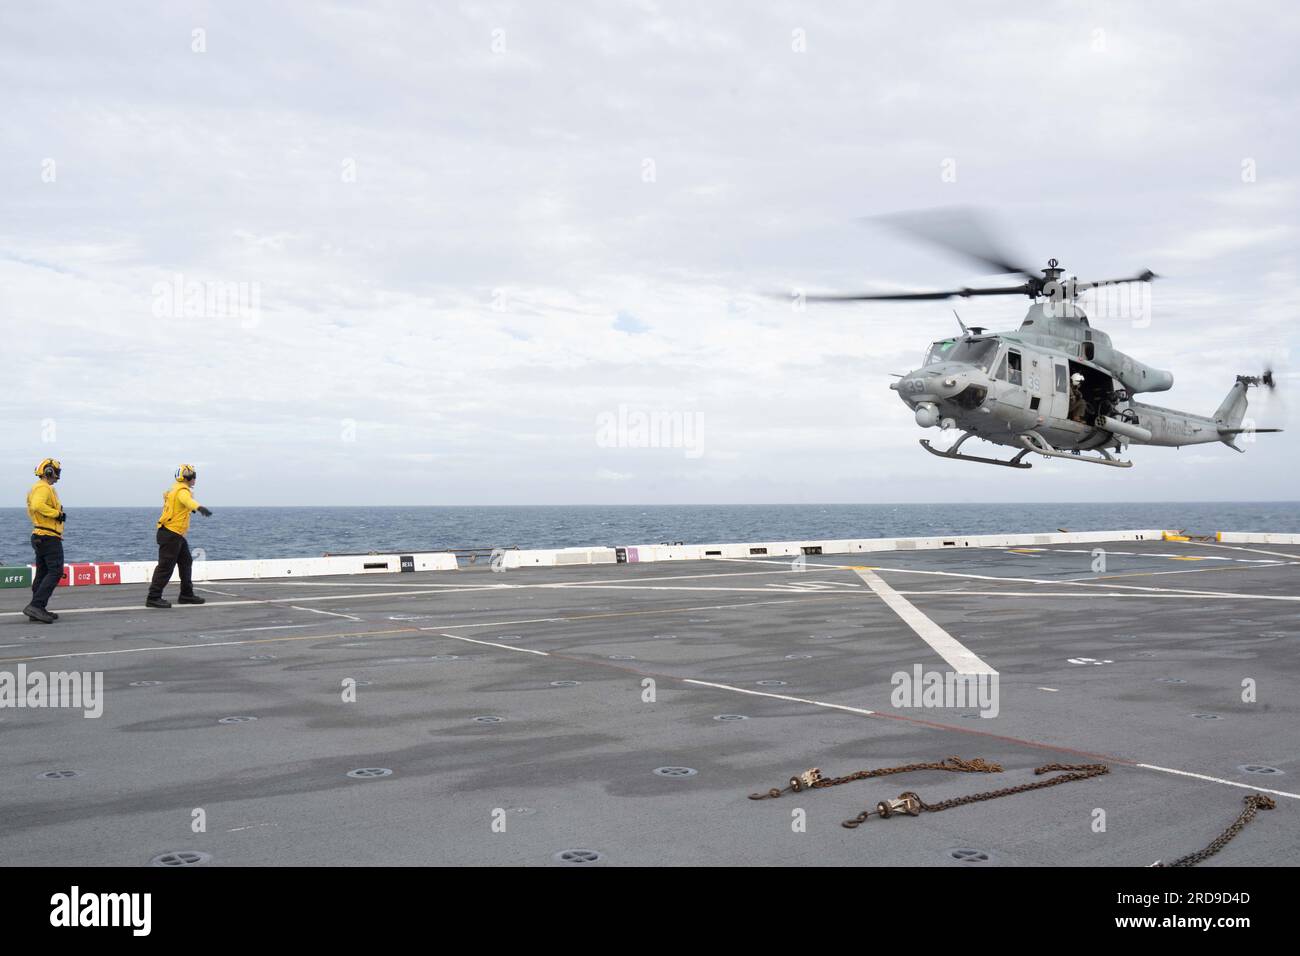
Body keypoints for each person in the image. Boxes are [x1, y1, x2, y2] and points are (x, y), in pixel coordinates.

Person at [146, 464, 213, 609]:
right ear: (187, 477)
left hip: (175, 534)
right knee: (166, 567)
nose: (195, 479)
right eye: (193, 476)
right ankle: (153, 597)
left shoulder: (174, 489)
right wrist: (199, 508)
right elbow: (187, 501)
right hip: (171, 534)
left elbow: (182, 505)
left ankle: (186, 594)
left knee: (186, 562)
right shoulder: (182, 490)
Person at [24, 458, 66, 623]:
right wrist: (56, 514)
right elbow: (36, 505)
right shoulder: (43, 488)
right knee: (55, 571)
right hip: (48, 537)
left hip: (40, 535)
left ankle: (37, 608)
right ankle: (36, 605)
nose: (58, 476)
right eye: (57, 472)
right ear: (49, 471)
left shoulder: (39, 488)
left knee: (42, 572)